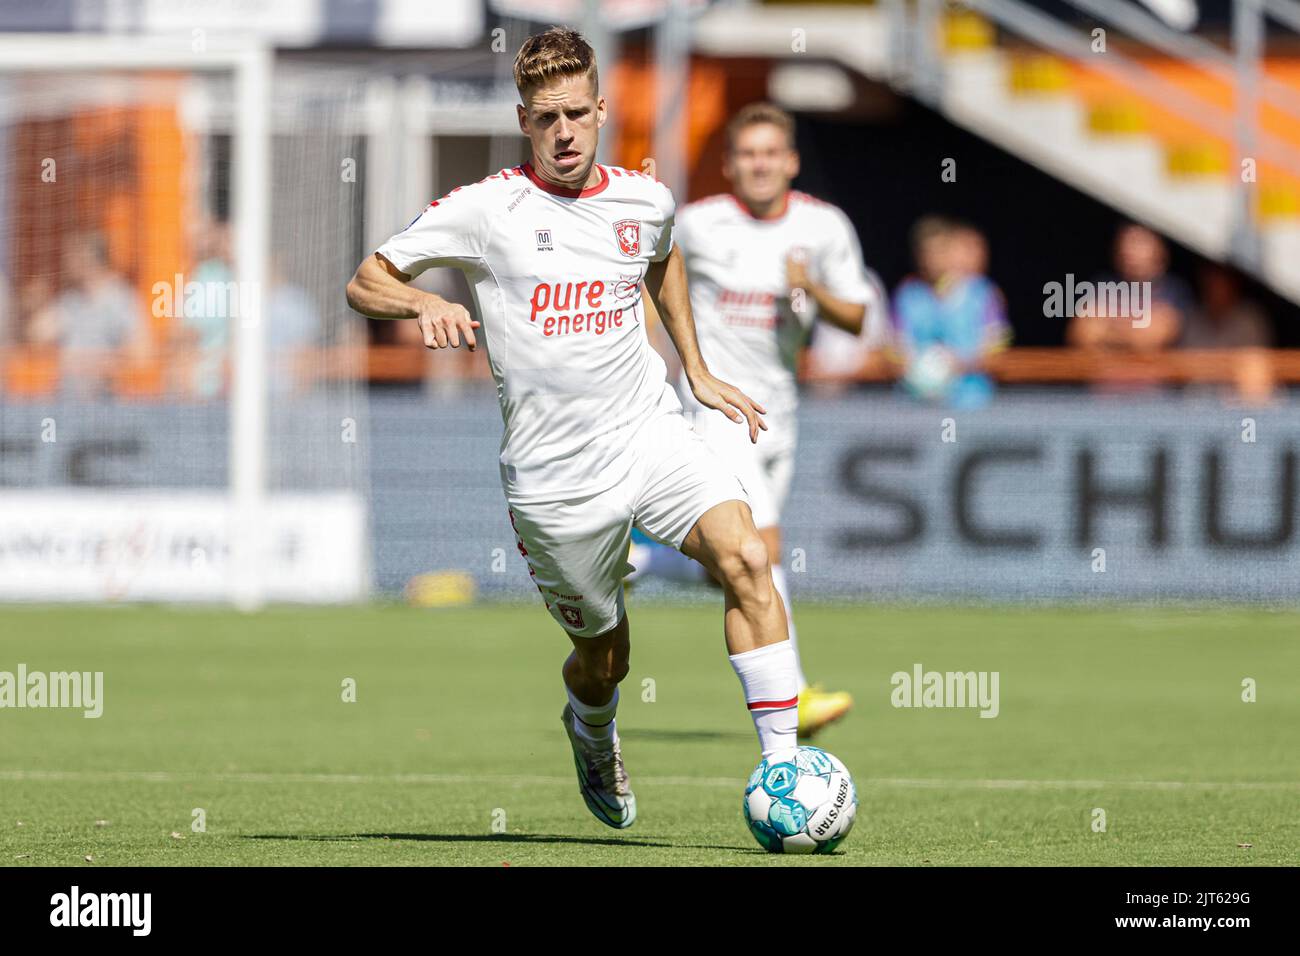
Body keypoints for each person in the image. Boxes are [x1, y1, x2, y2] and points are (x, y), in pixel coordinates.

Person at [345, 27, 797, 830]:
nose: (564, 132)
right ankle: (592, 730)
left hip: (650, 432)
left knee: (748, 555)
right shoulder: (486, 210)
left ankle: (786, 769)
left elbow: (663, 260)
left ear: (601, 111)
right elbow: (367, 279)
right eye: (547, 117)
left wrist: (694, 366)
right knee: (606, 658)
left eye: (578, 115)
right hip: (555, 481)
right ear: (525, 120)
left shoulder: (644, 199)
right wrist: (425, 301)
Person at [629, 102, 877, 738]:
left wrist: (809, 289)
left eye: (772, 153)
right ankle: (793, 698)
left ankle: (641, 564)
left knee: (737, 564)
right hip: (718, 409)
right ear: (730, 164)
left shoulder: (823, 228)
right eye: (748, 154)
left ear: (790, 161)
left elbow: (856, 317)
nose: (760, 164)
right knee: (763, 550)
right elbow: (650, 279)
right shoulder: (700, 223)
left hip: (781, 415)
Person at [891, 217, 1010, 408]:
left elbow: (998, 352)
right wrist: (920, 367)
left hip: (971, 405)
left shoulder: (984, 294)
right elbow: (894, 350)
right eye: (926, 253)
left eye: (940, 251)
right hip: (915, 406)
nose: (932, 259)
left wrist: (959, 363)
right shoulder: (907, 295)